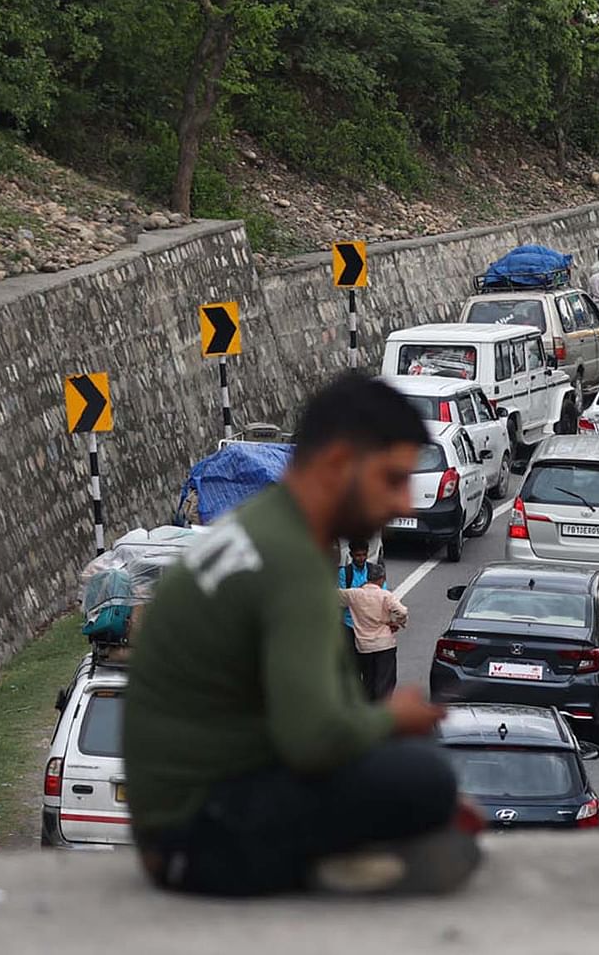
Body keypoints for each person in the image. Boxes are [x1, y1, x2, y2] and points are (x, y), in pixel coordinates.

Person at [122, 372, 480, 897]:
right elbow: (314, 740)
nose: (405, 503)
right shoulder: (294, 565)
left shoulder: (259, 525)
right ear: (337, 464)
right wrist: (390, 720)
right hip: (200, 836)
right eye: (391, 479)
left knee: (405, 780)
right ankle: (337, 858)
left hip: (174, 817)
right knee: (427, 778)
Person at [343, 547, 409, 702]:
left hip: (363, 646)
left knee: (368, 679)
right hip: (384, 645)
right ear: (382, 579)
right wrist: (396, 622)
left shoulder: (354, 594)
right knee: (384, 681)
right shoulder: (385, 595)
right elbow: (403, 611)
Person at [338, 538, 387, 660]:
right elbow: (343, 598)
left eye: (364, 555)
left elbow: (382, 595)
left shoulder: (374, 571)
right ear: (351, 555)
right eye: (358, 555)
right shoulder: (345, 573)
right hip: (350, 623)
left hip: (369, 625)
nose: (361, 558)